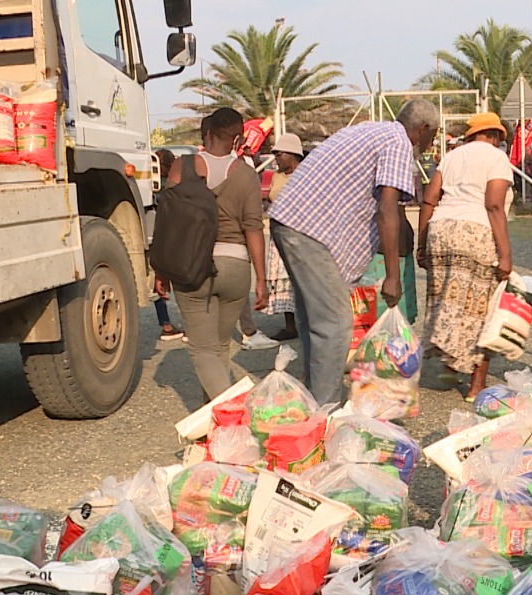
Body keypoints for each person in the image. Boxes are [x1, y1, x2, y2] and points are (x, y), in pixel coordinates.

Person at [268, 99, 437, 405]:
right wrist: (392, 276)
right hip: (308, 231)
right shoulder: (398, 141)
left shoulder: (374, 131)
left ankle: (311, 402)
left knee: (313, 321)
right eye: (432, 137)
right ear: (422, 130)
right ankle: (326, 412)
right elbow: (387, 209)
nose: (430, 144)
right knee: (335, 324)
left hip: (292, 223)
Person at [168, 108, 268, 401]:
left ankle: (233, 414)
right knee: (220, 346)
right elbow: (253, 228)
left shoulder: (181, 167)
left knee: (202, 347)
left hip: (193, 266)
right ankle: (217, 427)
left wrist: (161, 270)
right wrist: (260, 279)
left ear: (207, 133)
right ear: (238, 139)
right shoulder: (247, 175)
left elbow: (169, 221)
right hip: (236, 267)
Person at [417, 112, 514, 400]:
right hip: (475, 232)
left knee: (447, 301)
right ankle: (476, 385)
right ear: (495, 136)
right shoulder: (496, 158)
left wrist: (422, 244)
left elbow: (429, 199)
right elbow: (494, 205)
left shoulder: (452, 156)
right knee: (481, 308)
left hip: (442, 230)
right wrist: (505, 255)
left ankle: (450, 363)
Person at [259, 132, 304, 341]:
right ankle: (290, 325)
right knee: (284, 280)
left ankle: (308, 323)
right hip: (279, 233)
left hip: (300, 235)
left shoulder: (305, 175)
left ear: (293, 154)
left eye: (280, 154)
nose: (276, 157)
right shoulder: (277, 175)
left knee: (303, 280)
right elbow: (270, 197)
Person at [152, 149, 184, 341]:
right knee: (181, 282)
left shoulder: (151, 187)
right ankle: (190, 322)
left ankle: (166, 324)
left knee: (159, 284)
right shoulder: (172, 188)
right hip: (172, 239)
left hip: (156, 239)